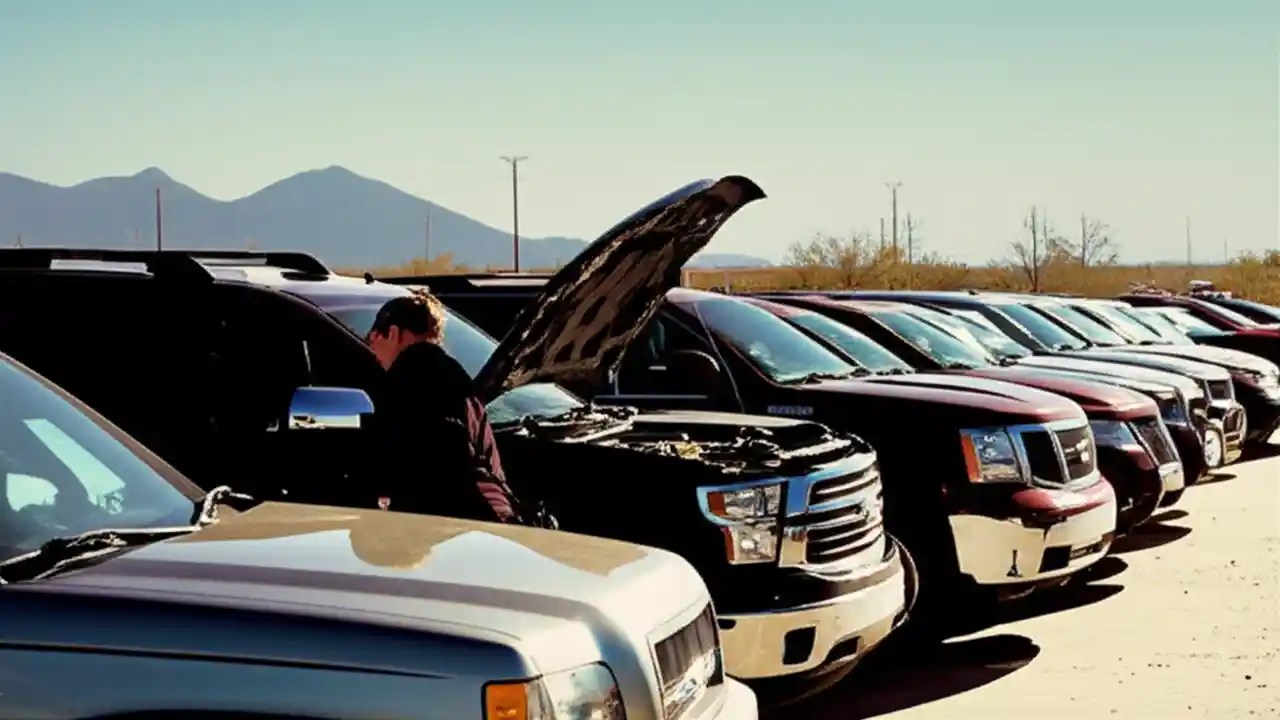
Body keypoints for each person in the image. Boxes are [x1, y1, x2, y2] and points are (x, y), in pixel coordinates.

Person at [363, 289, 521, 524]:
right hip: (488, 523)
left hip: (432, 529)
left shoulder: (403, 384)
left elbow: (395, 473)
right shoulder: (463, 383)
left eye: (374, 338)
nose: (372, 349)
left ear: (394, 333)